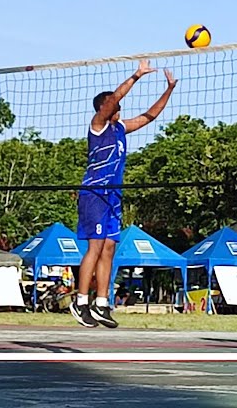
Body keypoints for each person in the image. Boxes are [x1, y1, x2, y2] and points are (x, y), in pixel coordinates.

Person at [71, 61, 177, 329]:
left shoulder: (120, 129)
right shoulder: (98, 125)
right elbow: (116, 98)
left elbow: (149, 116)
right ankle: (81, 300)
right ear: (103, 107)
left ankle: (102, 303)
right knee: (95, 246)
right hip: (95, 192)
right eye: (112, 103)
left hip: (113, 196)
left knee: (109, 248)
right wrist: (136, 75)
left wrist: (169, 89)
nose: (118, 105)